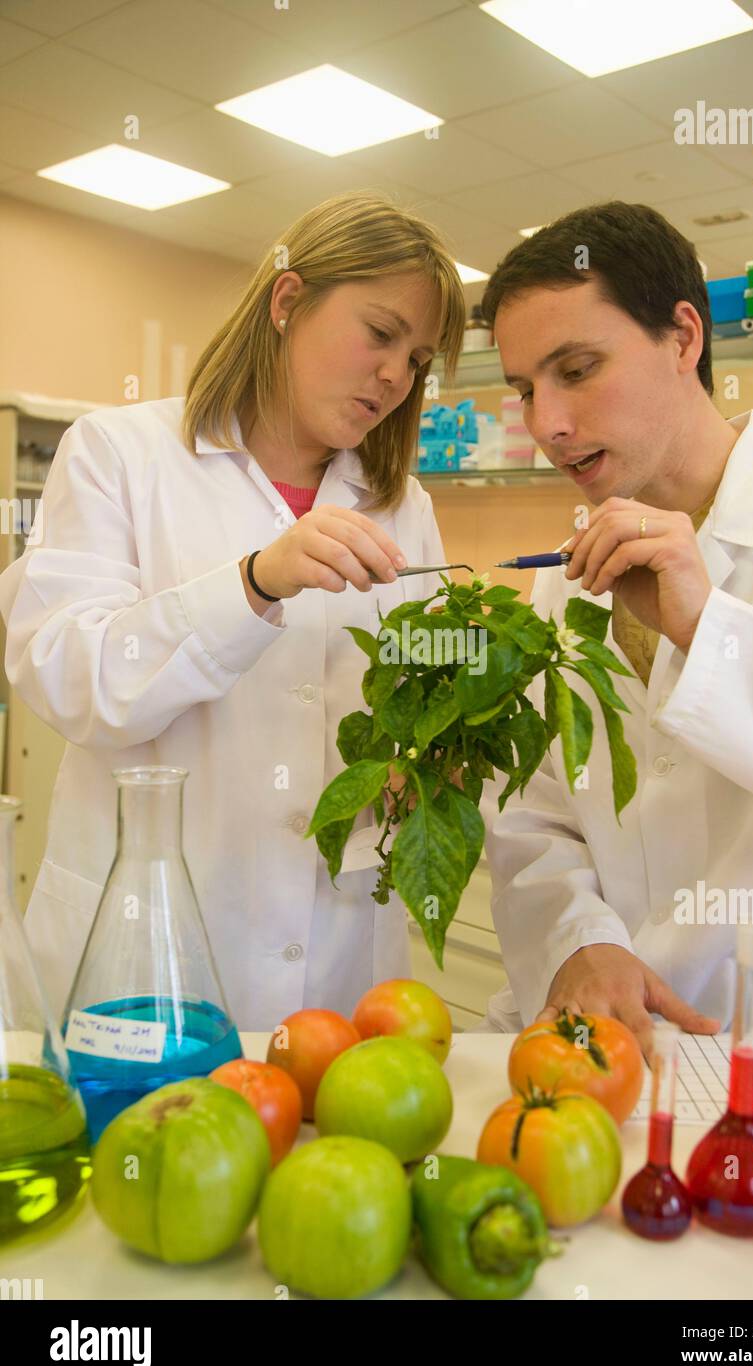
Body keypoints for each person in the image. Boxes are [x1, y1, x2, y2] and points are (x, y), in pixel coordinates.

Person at [0, 191, 465, 1029]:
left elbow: (416, 701)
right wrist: (252, 583)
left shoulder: (402, 506)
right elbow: (71, 678)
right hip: (144, 951)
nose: (398, 375)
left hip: (339, 959)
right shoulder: (120, 454)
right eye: (380, 333)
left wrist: (432, 756)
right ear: (287, 302)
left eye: (419, 357)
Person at [477, 201, 753, 1054]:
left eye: (575, 369)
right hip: (608, 1054)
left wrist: (709, 631)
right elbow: (533, 821)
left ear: (684, 338)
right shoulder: (563, 585)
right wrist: (584, 941)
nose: (546, 424)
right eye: (524, 389)